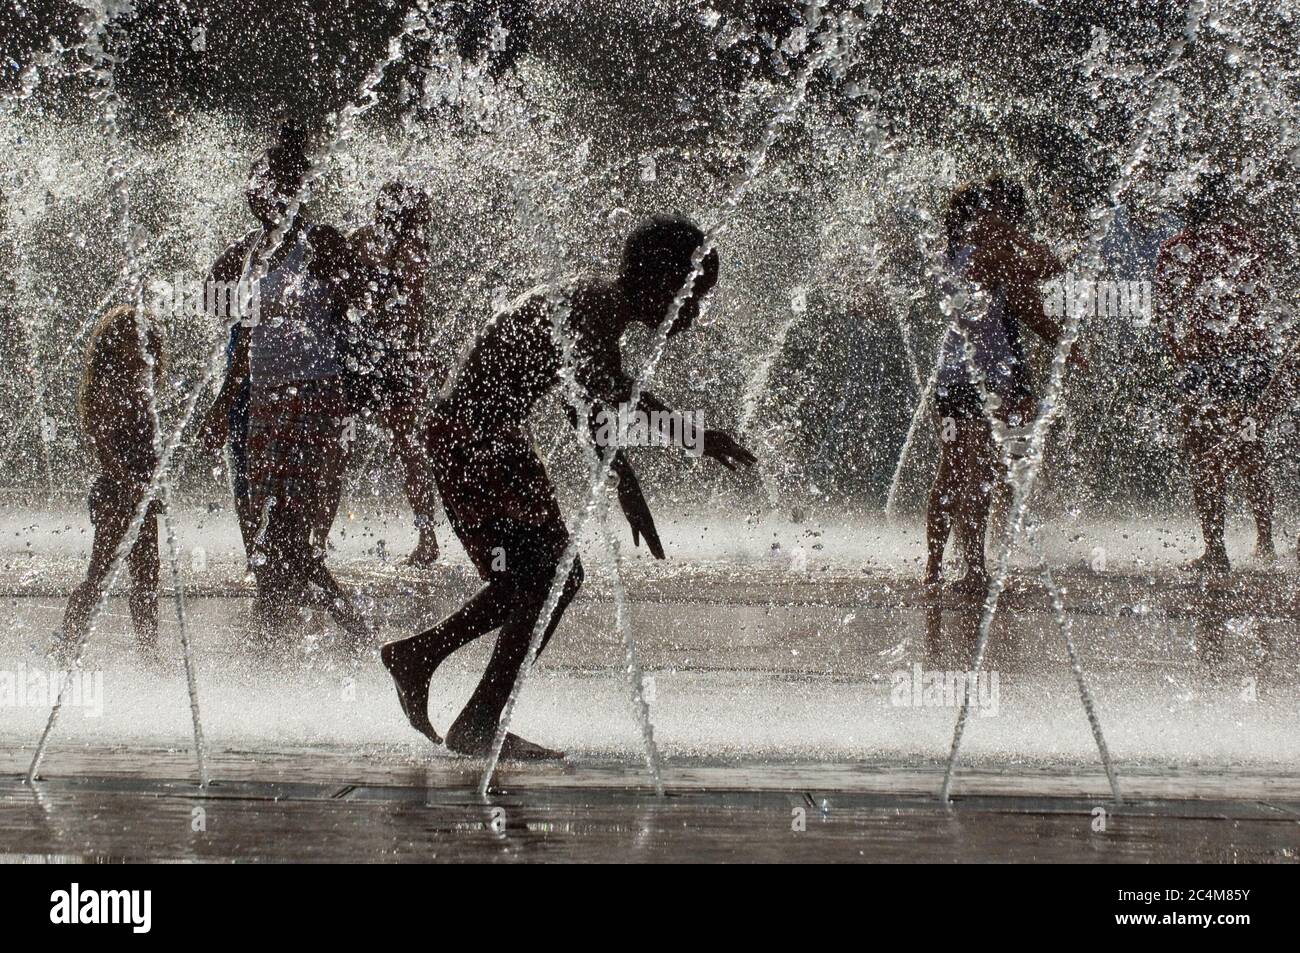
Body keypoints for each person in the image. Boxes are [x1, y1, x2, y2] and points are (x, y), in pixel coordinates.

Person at [381, 214, 756, 759]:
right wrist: (673, 455)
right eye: (691, 295)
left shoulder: (596, 303)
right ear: (659, 281)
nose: (693, 313)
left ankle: (428, 668)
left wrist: (657, 461)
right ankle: (462, 704)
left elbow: (590, 397)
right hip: (473, 441)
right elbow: (598, 399)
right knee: (545, 578)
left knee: (542, 579)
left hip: (488, 440)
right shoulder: (598, 306)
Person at [200, 129, 368, 638]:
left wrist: (342, 280)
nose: (256, 192)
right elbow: (225, 324)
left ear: (292, 188)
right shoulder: (246, 253)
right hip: (263, 399)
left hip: (315, 397)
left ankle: (338, 626)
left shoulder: (324, 243)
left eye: (267, 182)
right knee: (263, 528)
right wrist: (223, 403)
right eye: (254, 183)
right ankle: (303, 626)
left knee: (294, 528)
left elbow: (361, 314)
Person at [924, 177, 1067, 591]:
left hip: (960, 378)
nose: (1003, 220)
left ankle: (936, 569)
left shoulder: (954, 253)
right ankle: (972, 569)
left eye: (1007, 214)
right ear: (976, 216)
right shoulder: (985, 257)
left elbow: (1024, 299)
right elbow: (1051, 265)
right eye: (997, 213)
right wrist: (1015, 236)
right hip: (976, 379)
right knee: (974, 472)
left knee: (954, 471)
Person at [1156, 172, 1274, 574]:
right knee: (1249, 448)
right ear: (1224, 205)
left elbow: (1166, 315)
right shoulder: (1247, 243)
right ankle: (1266, 540)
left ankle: (1216, 550)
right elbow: (1262, 305)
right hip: (1248, 360)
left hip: (1203, 364)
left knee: (1204, 454)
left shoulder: (1176, 248)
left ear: (1185, 206)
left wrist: (1182, 354)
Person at [60, 306, 165, 654]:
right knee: (100, 574)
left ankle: (150, 650)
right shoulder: (107, 387)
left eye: (144, 336)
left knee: (148, 576)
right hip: (117, 493)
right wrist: (130, 484)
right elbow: (102, 447)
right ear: (115, 342)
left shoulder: (140, 383)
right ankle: (67, 643)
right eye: (133, 337)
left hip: (142, 492)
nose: (140, 343)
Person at [348, 182, 442, 566]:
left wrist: (417, 356)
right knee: (400, 448)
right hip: (373, 356)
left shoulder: (407, 252)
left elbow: (412, 314)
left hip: (387, 359)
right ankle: (427, 537)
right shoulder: (367, 244)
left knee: (405, 448)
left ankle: (427, 537)